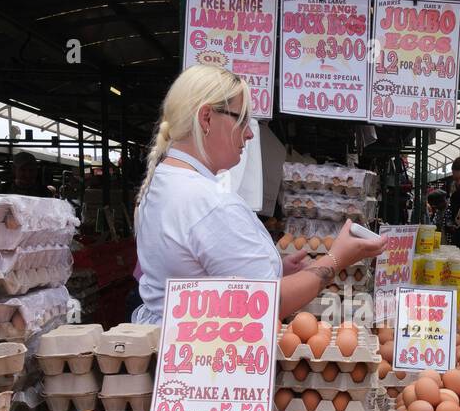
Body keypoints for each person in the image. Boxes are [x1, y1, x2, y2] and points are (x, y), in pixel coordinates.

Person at [132, 64, 384, 324]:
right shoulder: (209, 202)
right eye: (241, 120)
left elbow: (196, 273)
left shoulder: (164, 180)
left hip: (173, 338)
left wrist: (277, 269)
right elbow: (267, 303)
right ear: (206, 118)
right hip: (205, 350)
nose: (250, 133)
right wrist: (336, 259)